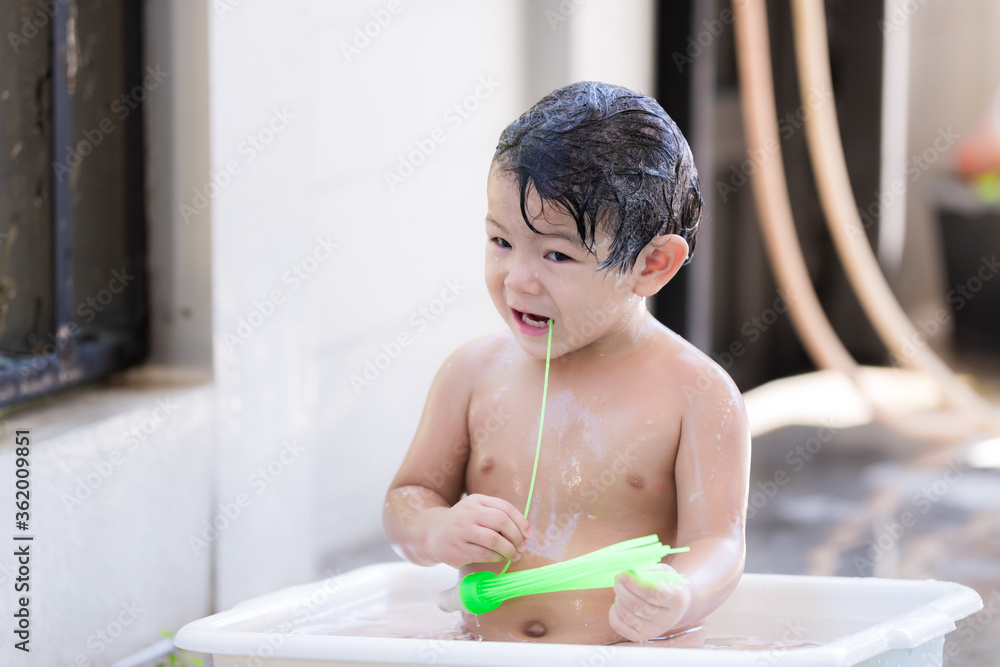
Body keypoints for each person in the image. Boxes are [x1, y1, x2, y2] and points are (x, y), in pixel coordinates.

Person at [383, 81, 750, 645]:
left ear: (652, 264)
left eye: (556, 254)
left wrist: (681, 595)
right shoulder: (473, 376)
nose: (518, 279)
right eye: (501, 242)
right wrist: (437, 529)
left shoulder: (695, 393)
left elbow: (718, 543)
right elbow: (406, 500)